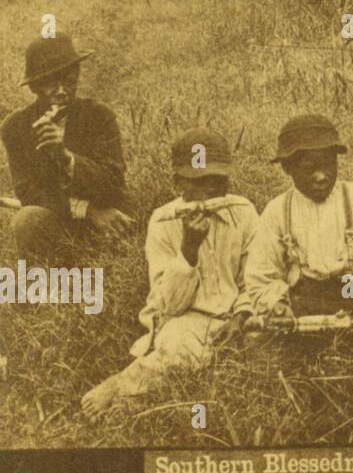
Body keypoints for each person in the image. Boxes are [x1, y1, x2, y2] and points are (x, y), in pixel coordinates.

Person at [80, 130, 257, 416]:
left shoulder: (244, 212)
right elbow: (171, 305)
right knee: (180, 345)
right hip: (186, 316)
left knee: (269, 343)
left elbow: (254, 278)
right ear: (178, 183)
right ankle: (122, 386)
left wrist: (242, 315)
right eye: (200, 182)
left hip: (237, 315)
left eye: (219, 180)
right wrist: (189, 248)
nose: (211, 191)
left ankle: (138, 392)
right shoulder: (163, 222)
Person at [244, 114, 353, 327]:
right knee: (257, 344)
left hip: (351, 296)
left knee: (350, 288)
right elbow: (260, 276)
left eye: (328, 165)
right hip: (301, 308)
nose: (321, 176)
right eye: (309, 168)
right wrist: (277, 306)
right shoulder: (277, 211)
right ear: (287, 168)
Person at [1, 35, 130, 261]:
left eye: (69, 80)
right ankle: (41, 291)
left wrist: (66, 157)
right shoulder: (16, 128)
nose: (62, 91)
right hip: (62, 219)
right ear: (35, 86)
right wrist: (87, 210)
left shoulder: (100, 117)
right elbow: (29, 193)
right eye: (51, 82)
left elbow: (113, 184)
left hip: (106, 218)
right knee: (26, 220)